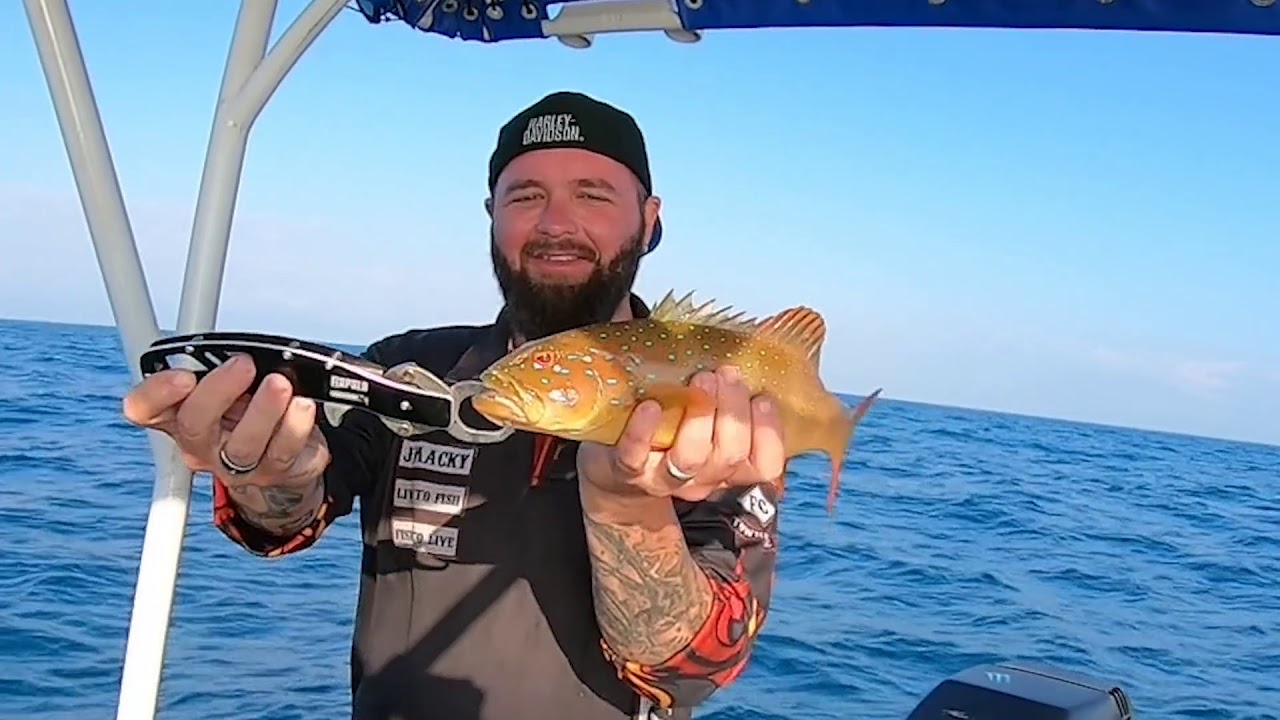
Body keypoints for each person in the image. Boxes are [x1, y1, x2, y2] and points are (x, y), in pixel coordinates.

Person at [121, 91, 786, 720]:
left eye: (593, 194)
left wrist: (626, 502)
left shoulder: (715, 404)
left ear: (650, 220)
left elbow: (696, 662)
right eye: (525, 195)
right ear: (491, 214)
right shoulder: (408, 368)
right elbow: (290, 513)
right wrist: (273, 473)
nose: (556, 222)